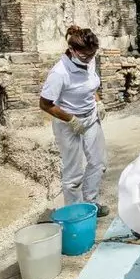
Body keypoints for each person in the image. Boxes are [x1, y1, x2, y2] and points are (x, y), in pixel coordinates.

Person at [39, 25, 109, 216]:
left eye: (92, 55)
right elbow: (45, 104)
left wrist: (98, 101)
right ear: (72, 51)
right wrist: (71, 120)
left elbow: (89, 83)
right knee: (73, 174)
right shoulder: (59, 73)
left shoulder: (89, 59)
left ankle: (91, 204)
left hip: (90, 117)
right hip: (68, 124)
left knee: (98, 162)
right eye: (85, 56)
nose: (90, 59)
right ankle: (77, 213)